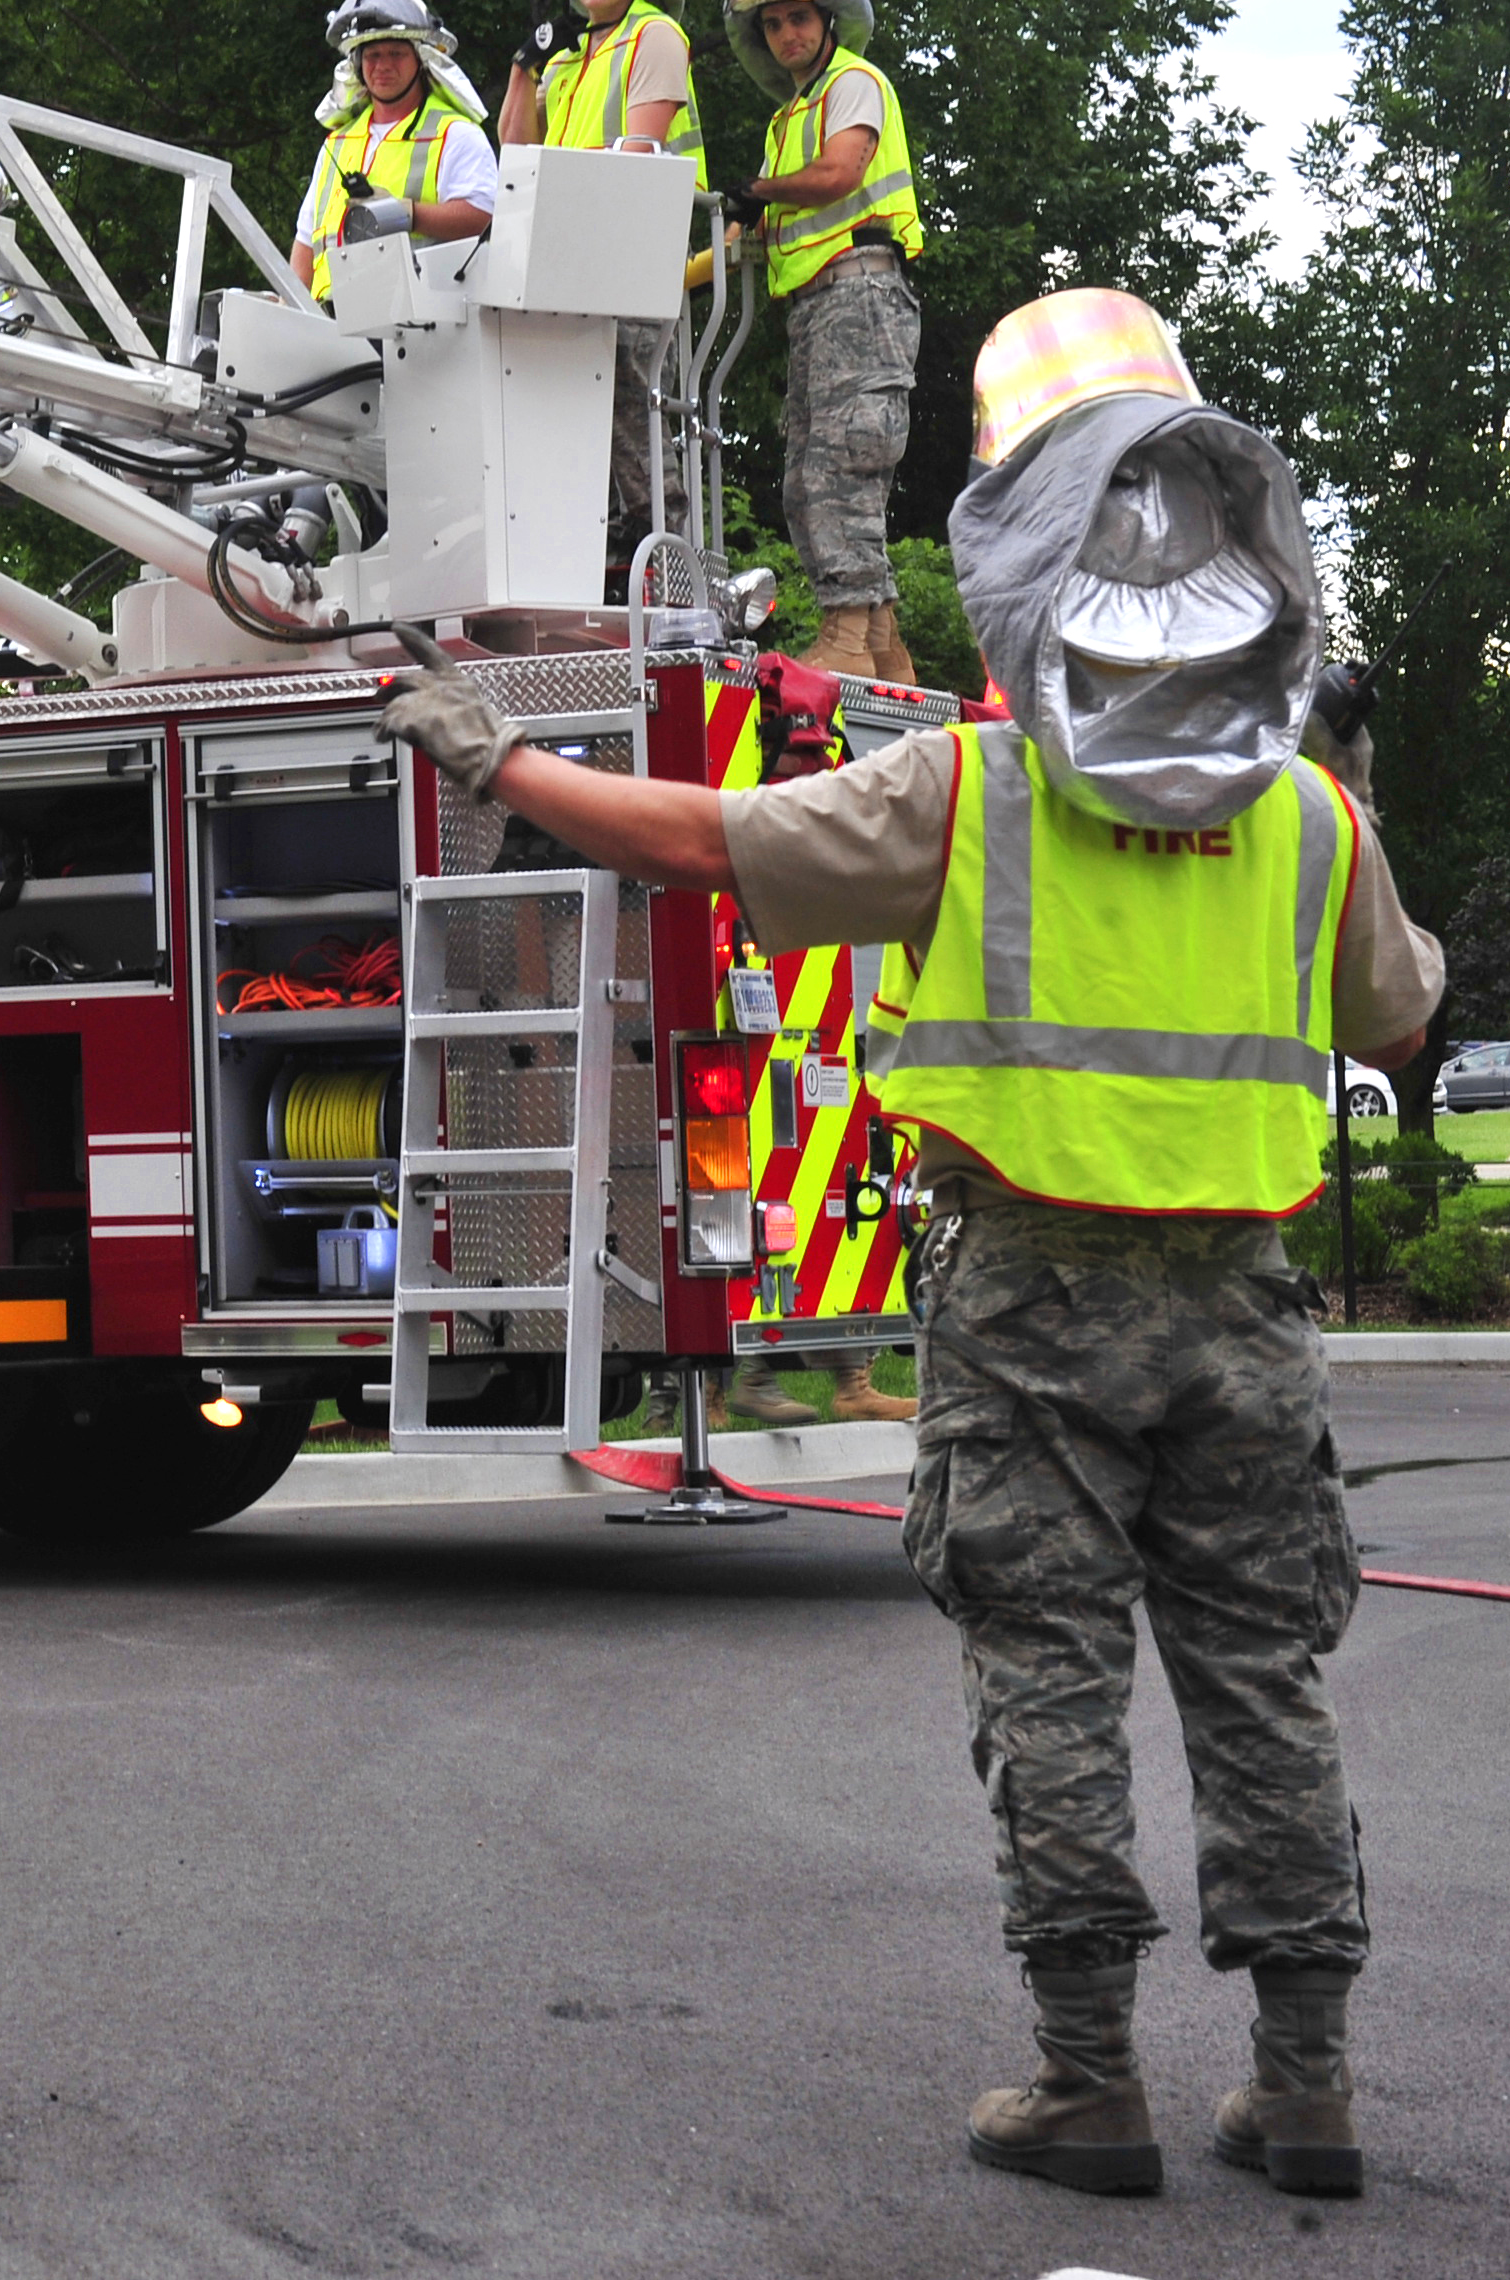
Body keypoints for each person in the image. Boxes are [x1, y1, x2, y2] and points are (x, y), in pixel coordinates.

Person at [380, 288, 1432, 2205]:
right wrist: (1341, 789)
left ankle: (1084, 2078)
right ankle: (1306, 2087)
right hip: (1244, 1316)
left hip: (1027, 1298)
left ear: (1016, 519)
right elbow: (1396, 1018)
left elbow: (705, 839)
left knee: (1046, 1674)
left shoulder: (968, 787)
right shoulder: (1306, 822)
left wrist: (496, 760)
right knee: (1261, 1681)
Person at [720, 0, 929, 682]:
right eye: (774, 24)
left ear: (828, 19)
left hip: (860, 292)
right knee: (814, 479)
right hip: (822, 307)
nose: (789, 35)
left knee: (841, 468)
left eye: (800, 18)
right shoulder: (789, 120)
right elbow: (749, 233)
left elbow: (840, 174)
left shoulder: (854, 82)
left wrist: (760, 190)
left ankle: (844, 637)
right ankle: (880, 645)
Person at [499, 0, 706, 550]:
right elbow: (515, 148)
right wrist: (524, 67)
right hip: (572, 258)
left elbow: (638, 151)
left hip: (635, 252)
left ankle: (667, 560)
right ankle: (611, 553)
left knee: (633, 408)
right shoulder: (565, 58)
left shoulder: (656, 35)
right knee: (577, 412)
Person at [289, 0, 500, 301]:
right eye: (373, 55)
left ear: (420, 60)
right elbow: (307, 242)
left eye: (396, 54)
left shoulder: (456, 134)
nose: (383, 65)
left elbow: (485, 217)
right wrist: (292, 306)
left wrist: (408, 214)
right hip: (327, 325)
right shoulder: (337, 143)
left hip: (412, 326)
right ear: (358, 65)